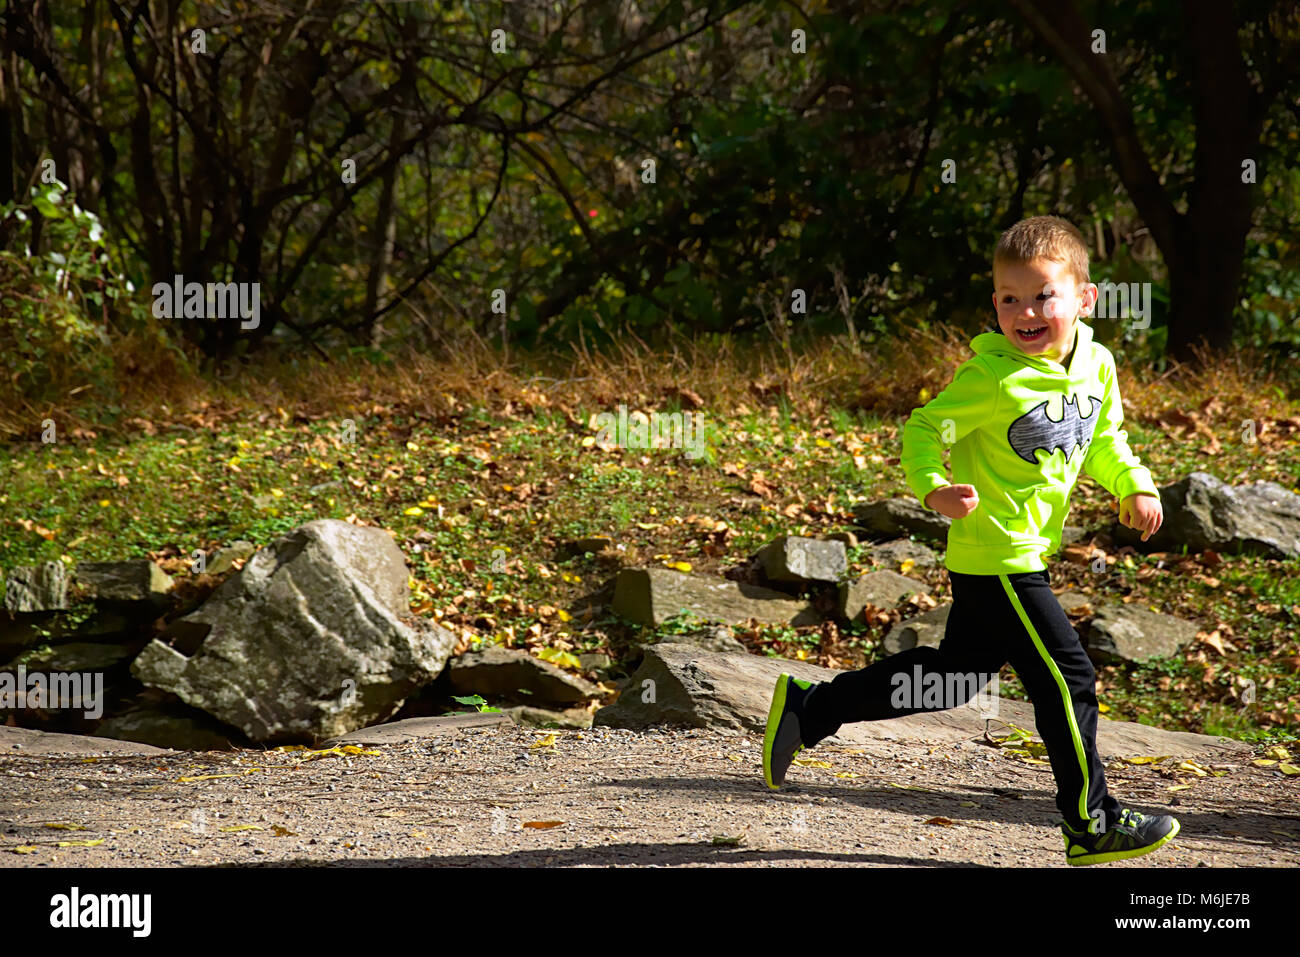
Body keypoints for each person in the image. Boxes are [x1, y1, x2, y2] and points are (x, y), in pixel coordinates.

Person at [762, 215, 1179, 865]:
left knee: (950, 680)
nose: (1026, 311)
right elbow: (924, 429)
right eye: (1010, 298)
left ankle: (810, 709)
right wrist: (934, 489)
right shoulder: (990, 378)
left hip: (1021, 554)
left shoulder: (1098, 364)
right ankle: (1090, 821)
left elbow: (1104, 440)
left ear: (1085, 298)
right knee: (1068, 678)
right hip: (999, 557)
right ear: (995, 305)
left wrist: (1136, 485)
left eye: (1043, 294)